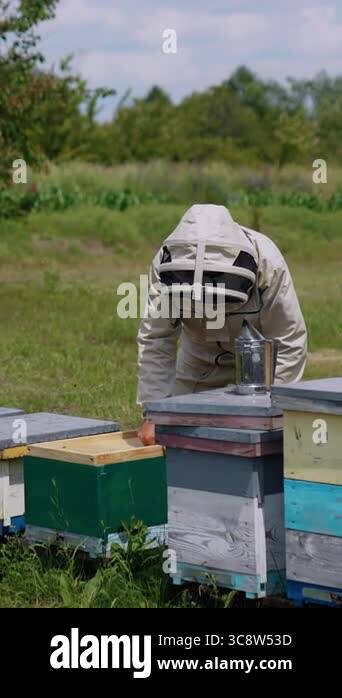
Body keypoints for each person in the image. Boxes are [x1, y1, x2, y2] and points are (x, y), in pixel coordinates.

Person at [137, 204, 307, 445]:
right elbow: (157, 339)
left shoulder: (270, 262)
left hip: (259, 370)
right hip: (198, 362)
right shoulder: (167, 264)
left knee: (259, 441)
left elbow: (289, 341)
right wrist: (154, 412)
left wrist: (273, 409)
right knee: (172, 439)